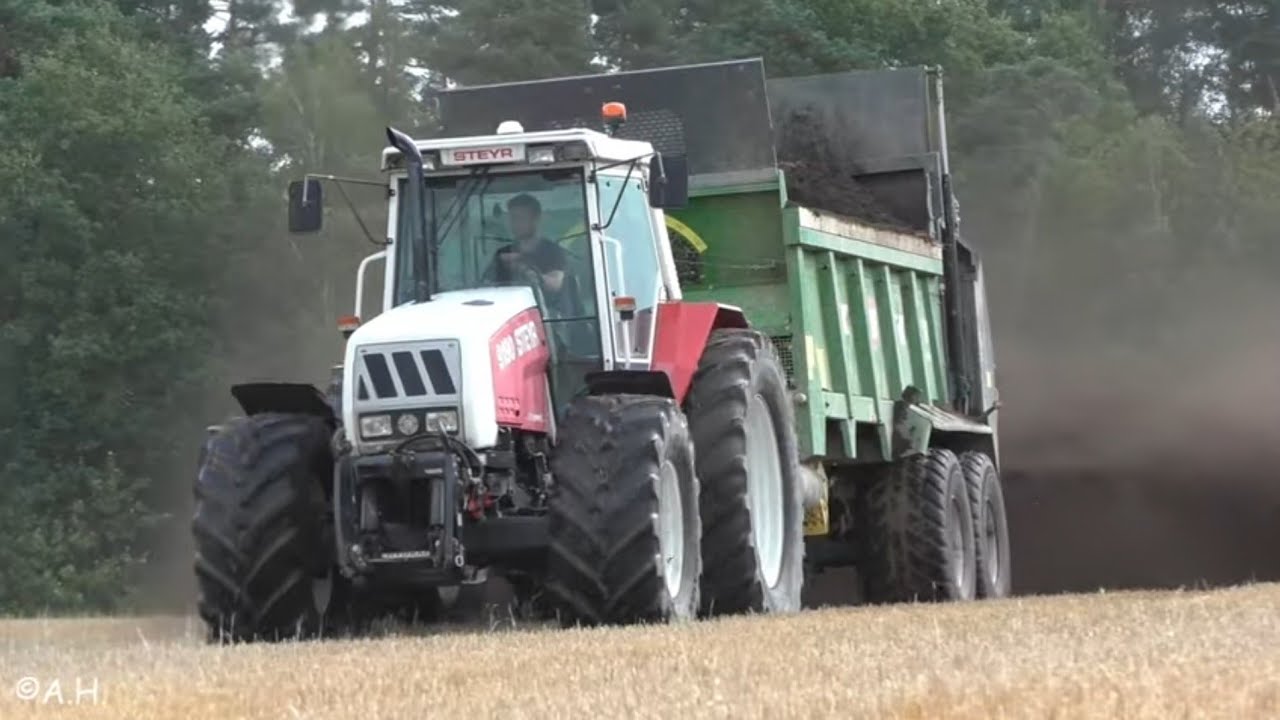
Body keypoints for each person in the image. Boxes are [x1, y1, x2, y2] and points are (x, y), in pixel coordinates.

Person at [486, 193, 577, 316]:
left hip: (552, 321)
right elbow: (488, 285)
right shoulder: (503, 254)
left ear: (536, 219)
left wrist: (524, 269)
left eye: (521, 218)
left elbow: (555, 284)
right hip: (512, 318)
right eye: (512, 218)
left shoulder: (553, 251)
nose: (515, 223)